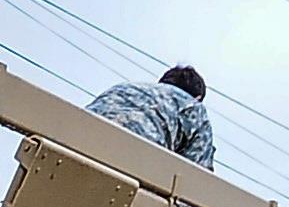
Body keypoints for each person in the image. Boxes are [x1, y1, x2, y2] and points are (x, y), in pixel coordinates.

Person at [88, 63, 218, 172]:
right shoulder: (194, 107)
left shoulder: (124, 87)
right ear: (198, 97)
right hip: (131, 166)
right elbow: (196, 177)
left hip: (76, 143)